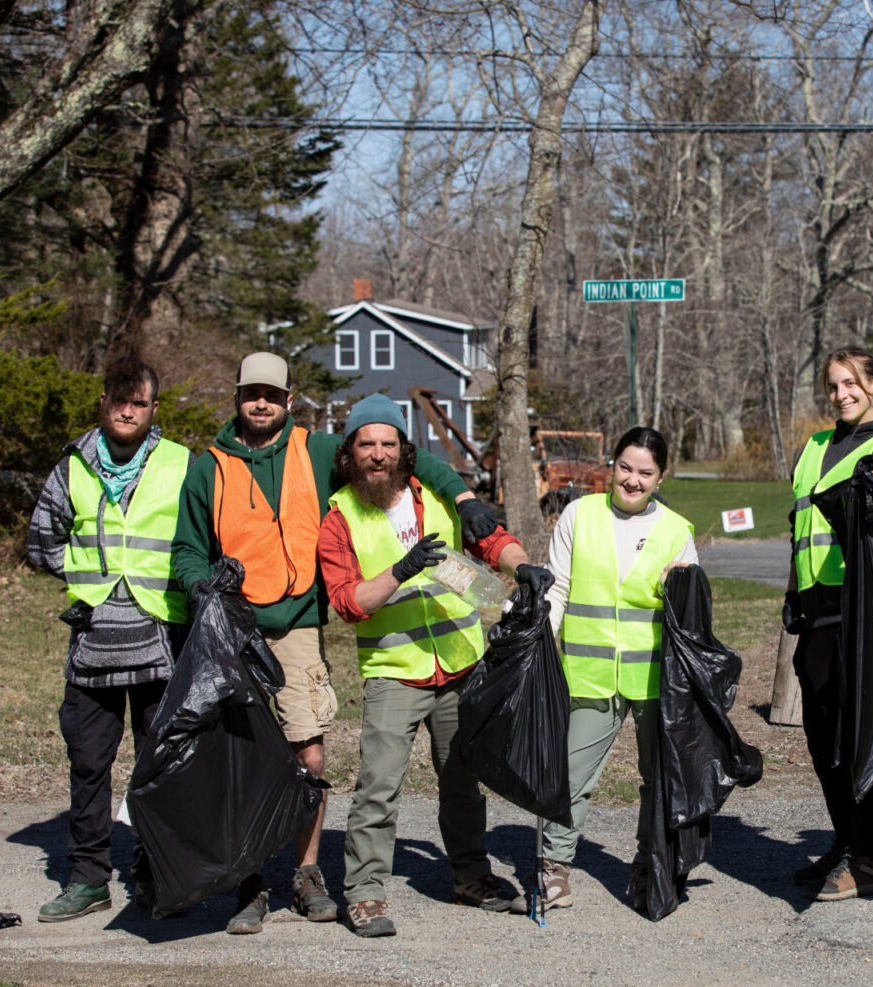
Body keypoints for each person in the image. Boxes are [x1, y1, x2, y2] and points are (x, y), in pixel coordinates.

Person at [171, 352, 491, 935]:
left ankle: (309, 871)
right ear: (236, 399)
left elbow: (417, 467)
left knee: (308, 756)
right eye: (250, 394)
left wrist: (467, 500)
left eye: (272, 393)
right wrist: (200, 586)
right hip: (232, 630)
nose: (261, 403)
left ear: (290, 400)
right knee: (241, 763)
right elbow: (187, 548)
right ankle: (247, 881)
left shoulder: (317, 452)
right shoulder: (207, 468)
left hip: (295, 626)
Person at [317, 395, 552, 937]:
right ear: (350, 451)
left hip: (460, 663)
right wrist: (401, 570)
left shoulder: (437, 496)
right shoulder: (340, 517)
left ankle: (470, 878)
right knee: (378, 784)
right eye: (366, 444)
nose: (378, 454)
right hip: (395, 669)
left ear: (404, 450)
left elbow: (490, 540)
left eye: (388, 443)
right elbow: (349, 603)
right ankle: (366, 893)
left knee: (462, 781)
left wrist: (524, 568)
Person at [27, 356, 190, 922]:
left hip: (160, 637)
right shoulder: (72, 464)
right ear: (103, 402)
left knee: (158, 765)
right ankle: (89, 877)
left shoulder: (181, 464)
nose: (128, 410)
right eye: (119, 401)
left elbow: (201, 539)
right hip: (93, 639)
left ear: (153, 409)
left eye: (139, 403)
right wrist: (85, 584)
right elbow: (42, 539)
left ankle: (153, 874)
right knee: (88, 765)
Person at [525, 426, 699, 913]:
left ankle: (651, 863)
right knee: (569, 773)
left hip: (653, 680)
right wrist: (541, 643)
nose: (632, 480)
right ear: (611, 466)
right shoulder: (580, 515)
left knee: (657, 778)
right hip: (587, 673)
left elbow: (690, 617)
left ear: (661, 476)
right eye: (625, 467)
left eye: (645, 472)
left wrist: (678, 587)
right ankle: (554, 866)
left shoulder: (677, 531)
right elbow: (558, 588)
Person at [782, 347, 873, 901]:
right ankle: (843, 840)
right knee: (822, 740)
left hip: (861, 609)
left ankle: (865, 856)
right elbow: (800, 524)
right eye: (833, 386)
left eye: (850, 384)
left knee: (860, 736)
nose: (840, 394)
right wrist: (793, 594)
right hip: (815, 609)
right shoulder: (815, 446)